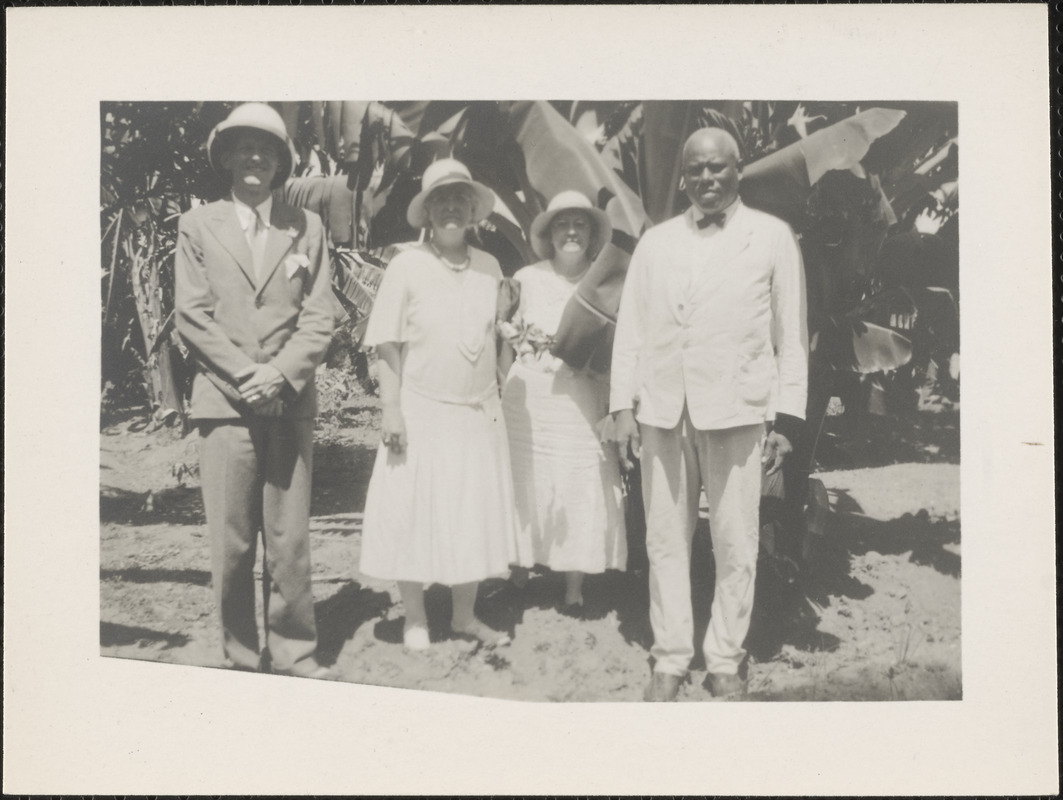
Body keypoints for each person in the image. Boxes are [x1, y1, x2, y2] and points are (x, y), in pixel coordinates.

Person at [610, 128, 808, 701]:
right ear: (683, 176)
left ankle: (725, 656)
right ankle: (669, 658)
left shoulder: (771, 238)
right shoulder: (657, 242)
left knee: (736, 541)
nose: (707, 178)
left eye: (717, 168)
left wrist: (788, 420)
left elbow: (790, 336)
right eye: (696, 169)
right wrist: (624, 405)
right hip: (664, 411)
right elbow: (633, 331)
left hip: (738, 410)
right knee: (665, 540)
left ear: (737, 170)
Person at [175, 102, 338, 679]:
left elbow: (320, 316)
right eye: (244, 146)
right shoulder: (198, 225)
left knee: (290, 541)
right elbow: (192, 316)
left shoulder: (306, 227)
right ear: (225, 157)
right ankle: (240, 658)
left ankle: (295, 653)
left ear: (281, 163)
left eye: (267, 149)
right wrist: (248, 376)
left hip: (289, 403)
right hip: (225, 404)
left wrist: (282, 374)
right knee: (234, 543)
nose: (255, 157)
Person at [359, 158, 532, 651]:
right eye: (441, 200)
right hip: (420, 410)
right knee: (413, 510)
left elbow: (497, 348)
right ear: (427, 211)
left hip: (476, 412)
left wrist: (511, 328)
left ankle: (463, 615)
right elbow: (387, 345)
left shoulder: (491, 268)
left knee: (471, 512)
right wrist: (390, 408)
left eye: (460, 200)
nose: (451, 208)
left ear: (474, 210)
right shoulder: (405, 266)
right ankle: (415, 618)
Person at [500, 191, 627, 613]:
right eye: (562, 224)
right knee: (526, 478)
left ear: (591, 233)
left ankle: (575, 581)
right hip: (530, 399)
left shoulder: (604, 281)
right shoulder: (526, 277)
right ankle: (519, 562)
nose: (571, 232)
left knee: (578, 477)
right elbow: (505, 332)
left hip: (580, 394)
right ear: (549, 233)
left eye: (580, 224)